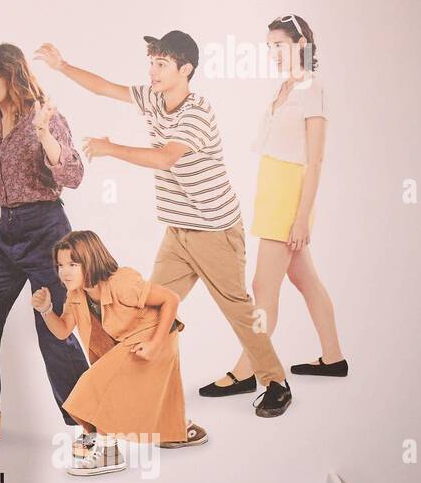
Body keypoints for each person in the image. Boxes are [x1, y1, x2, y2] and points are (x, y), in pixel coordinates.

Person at [36, 32, 295, 418]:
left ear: (185, 69)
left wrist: (111, 148)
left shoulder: (196, 112)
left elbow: (164, 158)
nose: (153, 70)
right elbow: (107, 88)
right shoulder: (155, 98)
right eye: (152, 62)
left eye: (162, 64)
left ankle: (275, 381)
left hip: (214, 230)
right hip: (178, 231)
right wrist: (62, 66)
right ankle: (138, 393)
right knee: (146, 309)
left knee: (237, 308)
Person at [0, 43, 90, 447]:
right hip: (7, 232)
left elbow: (72, 174)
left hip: (47, 232)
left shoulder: (44, 115)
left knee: (53, 331)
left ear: (11, 73)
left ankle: (89, 420)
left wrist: (46, 137)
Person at [204, 14, 346, 388]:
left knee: (263, 287)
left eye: (279, 46)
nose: (274, 54)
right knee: (307, 281)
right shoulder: (284, 89)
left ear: (301, 44)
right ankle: (333, 359)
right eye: (269, 48)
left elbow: (314, 160)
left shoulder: (314, 90)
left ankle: (247, 369)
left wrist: (301, 219)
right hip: (271, 192)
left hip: (289, 196)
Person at [36, 231, 207, 476]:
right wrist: (46, 310)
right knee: (111, 389)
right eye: (61, 265)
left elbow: (171, 298)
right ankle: (178, 428)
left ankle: (108, 453)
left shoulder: (122, 282)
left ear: (91, 260)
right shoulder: (75, 295)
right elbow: (63, 331)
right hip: (127, 344)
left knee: (97, 384)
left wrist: (156, 344)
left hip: (154, 337)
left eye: (73, 264)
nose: (64, 271)